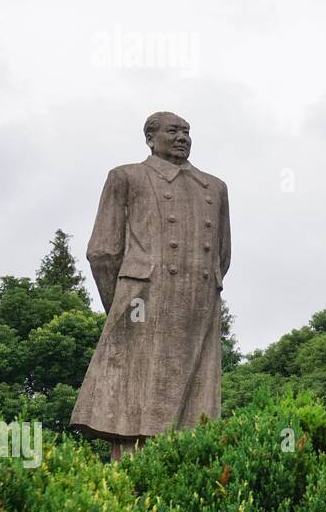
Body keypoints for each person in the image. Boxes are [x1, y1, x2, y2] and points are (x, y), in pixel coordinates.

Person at [70, 111, 231, 462]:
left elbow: (222, 256)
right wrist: (123, 305)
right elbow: (103, 251)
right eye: (173, 131)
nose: (182, 138)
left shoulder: (214, 187)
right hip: (143, 302)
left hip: (198, 306)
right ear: (150, 138)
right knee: (135, 405)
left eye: (187, 132)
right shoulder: (127, 177)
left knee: (196, 413)